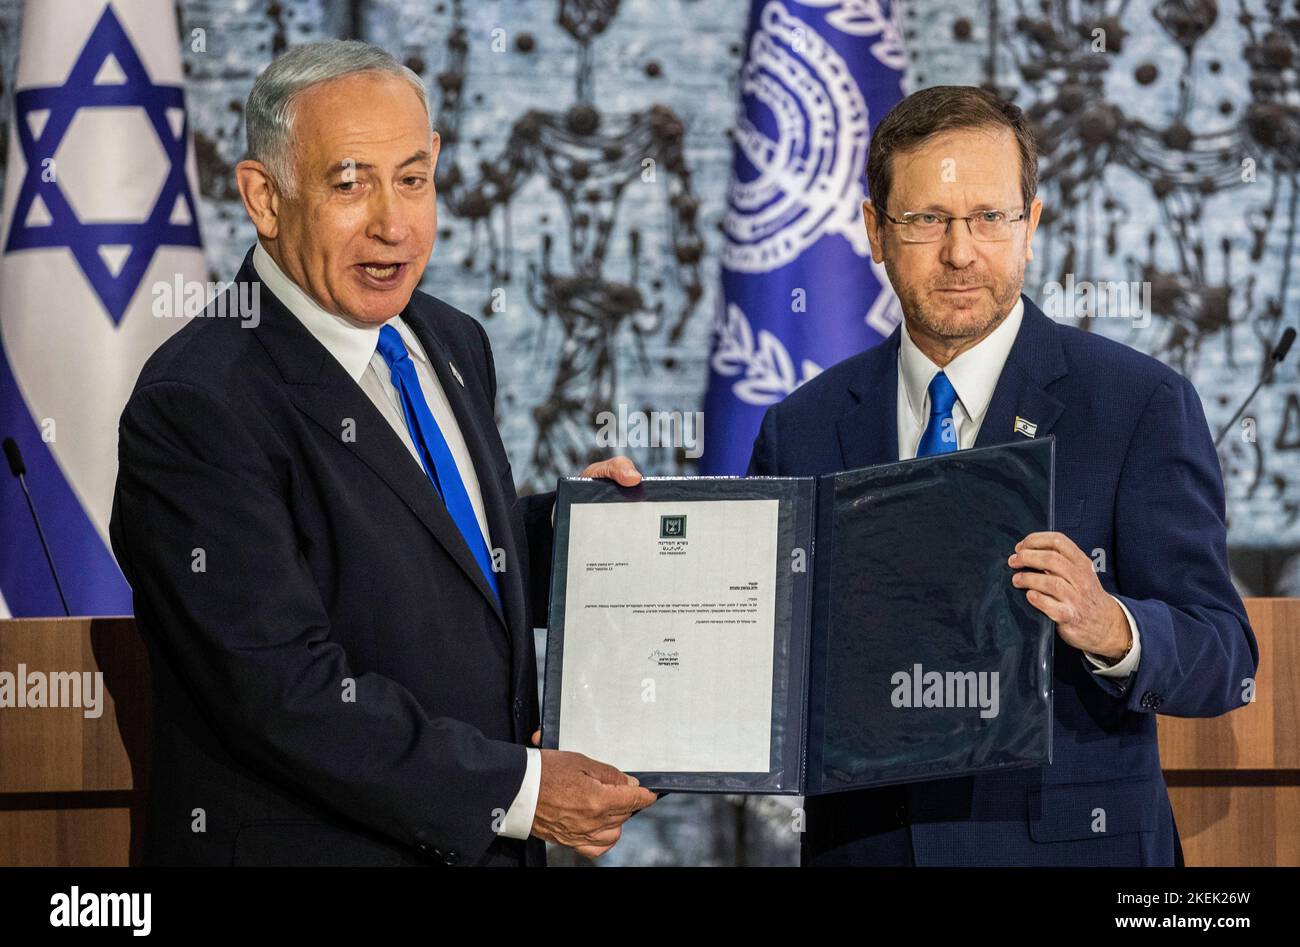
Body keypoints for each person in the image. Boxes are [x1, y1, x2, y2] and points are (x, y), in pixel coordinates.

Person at [110, 40, 655, 867]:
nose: (393, 223)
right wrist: (522, 791)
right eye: (349, 184)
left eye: (412, 178)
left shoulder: (449, 339)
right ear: (263, 196)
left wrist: (584, 542)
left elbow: (427, 556)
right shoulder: (199, 402)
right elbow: (283, 692)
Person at [747, 85, 1258, 865]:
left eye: (990, 217)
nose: (961, 252)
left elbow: (1224, 655)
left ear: (1032, 227)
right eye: (926, 221)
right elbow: (760, 652)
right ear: (875, 232)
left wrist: (1112, 626)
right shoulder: (803, 426)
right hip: (869, 849)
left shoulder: (1137, 405)